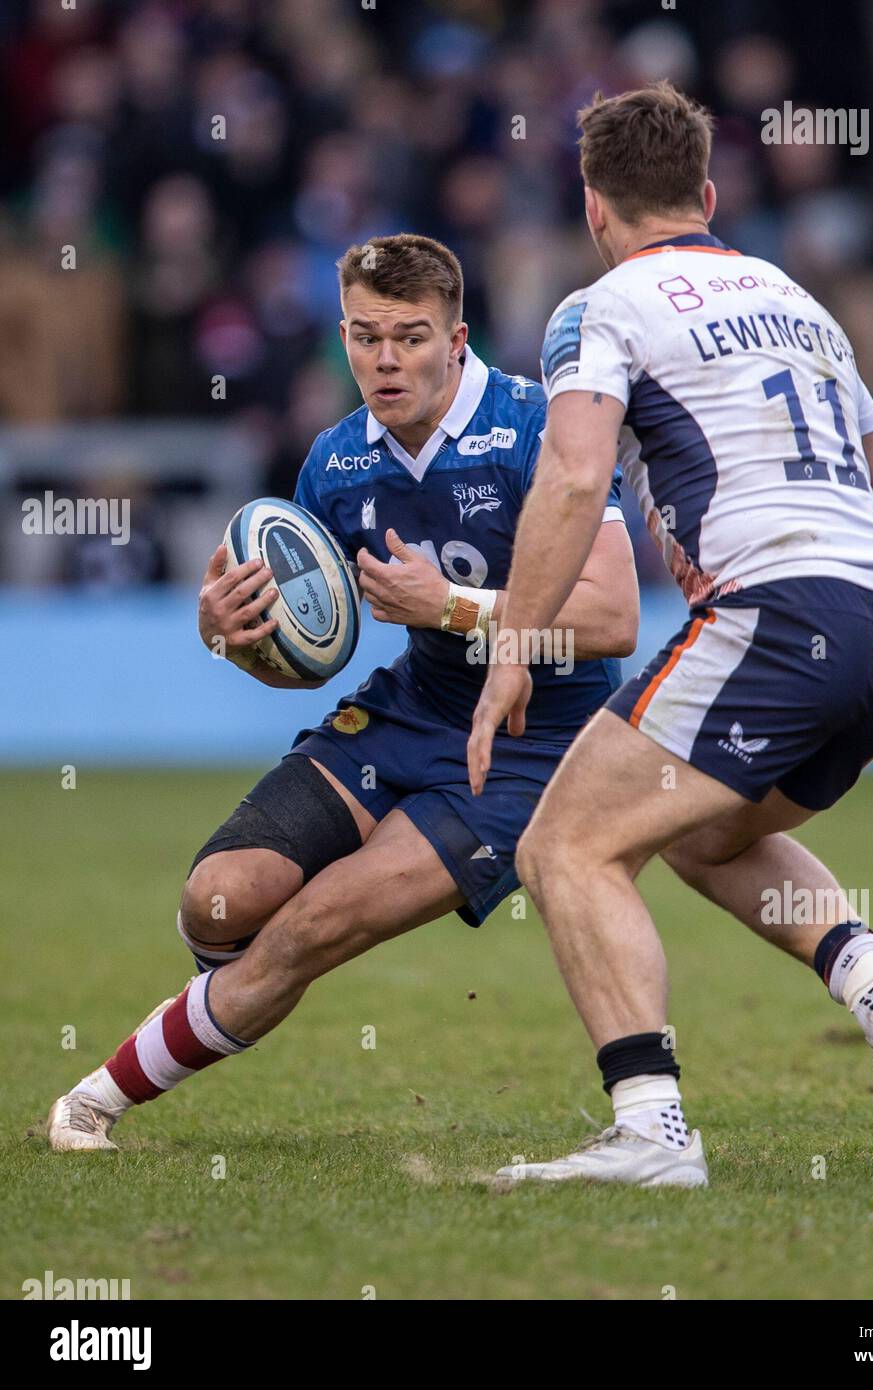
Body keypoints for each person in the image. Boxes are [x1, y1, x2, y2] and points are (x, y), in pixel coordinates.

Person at [468, 84, 873, 1188]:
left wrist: (511, 647)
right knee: (703, 835)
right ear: (705, 196)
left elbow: (572, 478)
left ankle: (651, 1132)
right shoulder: (798, 300)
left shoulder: (600, 307)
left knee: (563, 848)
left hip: (774, 617)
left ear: (593, 207)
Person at [47, 233, 637, 1151]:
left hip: (529, 748)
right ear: (343, 338)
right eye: (365, 337)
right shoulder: (335, 462)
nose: (385, 360)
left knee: (309, 927)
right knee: (219, 900)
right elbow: (303, 650)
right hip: (409, 708)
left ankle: (92, 1102)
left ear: (456, 338)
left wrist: (449, 606)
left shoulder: (536, 428)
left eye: (410, 337)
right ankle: (230, 998)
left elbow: (613, 618)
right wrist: (227, 633)